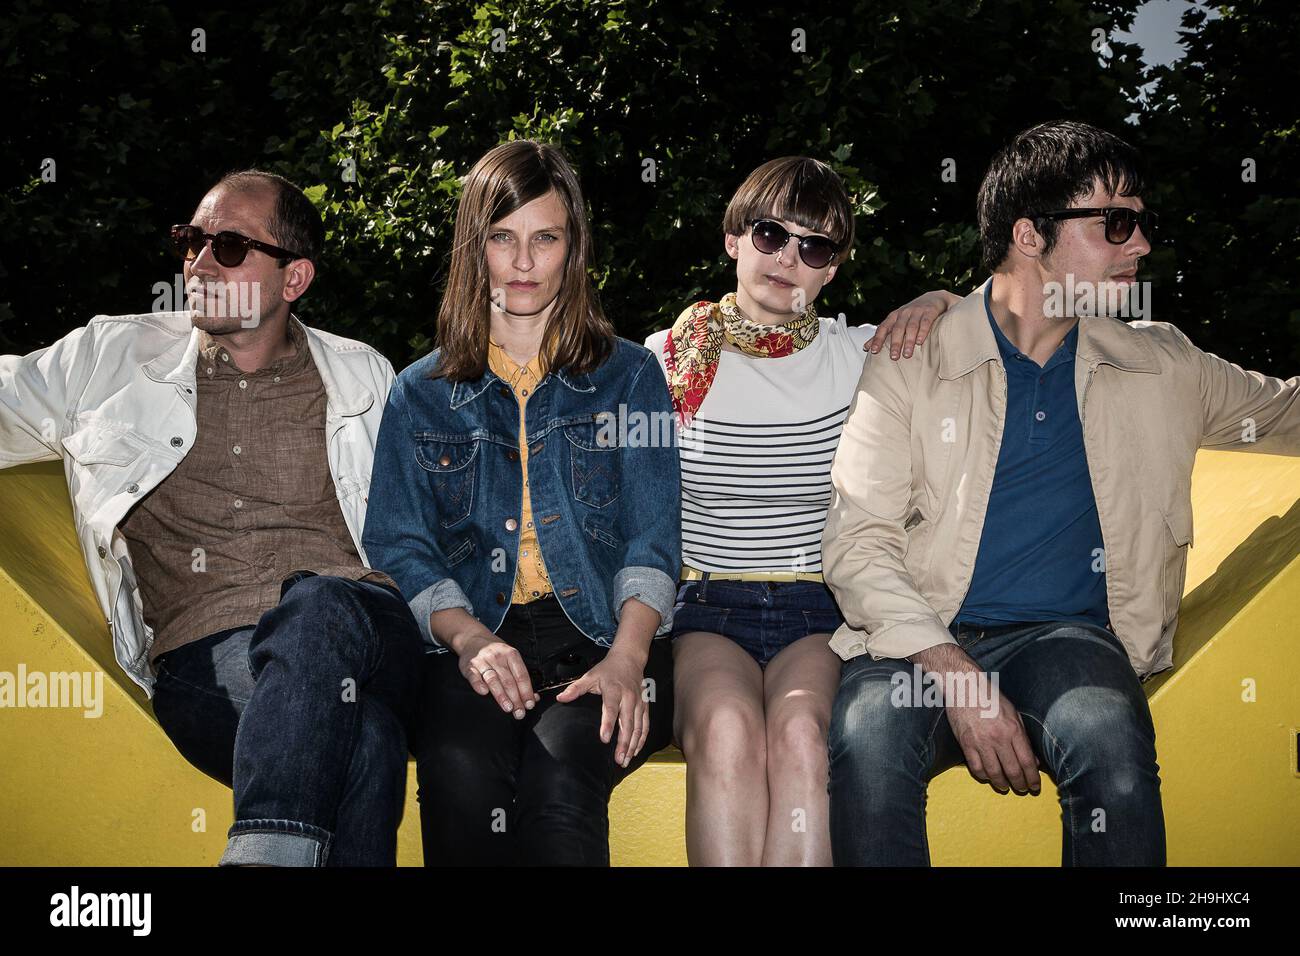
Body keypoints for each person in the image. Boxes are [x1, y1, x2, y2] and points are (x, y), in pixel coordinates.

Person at [822, 119, 1300, 866]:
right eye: (1116, 223)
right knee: (867, 741)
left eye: (1141, 223)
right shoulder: (913, 360)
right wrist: (957, 677)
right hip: (916, 638)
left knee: (1109, 737)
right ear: (1030, 235)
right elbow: (857, 542)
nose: (1140, 244)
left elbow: (1286, 412)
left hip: (1068, 640)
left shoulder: (1163, 365)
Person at [0, 170, 426, 865]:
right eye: (190, 240)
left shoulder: (363, 375)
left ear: (294, 280)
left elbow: (422, 527)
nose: (198, 263)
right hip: (207, 657)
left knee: (317, 602)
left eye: (228, 246)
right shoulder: (109, 359)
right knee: (367, 741)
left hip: (365, 633)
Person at [362, 140, 681, 866]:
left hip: (612, 635)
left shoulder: (631, 377)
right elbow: (401, 544)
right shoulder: (421, 392)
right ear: (475, 250)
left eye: (546, 238)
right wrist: (469, 640)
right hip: (475, 636)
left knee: (561, 782)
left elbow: (653, 540)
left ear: (574, 250)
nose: (525, 262)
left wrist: (630, 661)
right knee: (459, 771)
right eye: (503, 239)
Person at [644, 156, 958, 865]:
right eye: (769, 234)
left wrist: (936, 298)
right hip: (706, 605)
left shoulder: (863, 356)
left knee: (800, 737)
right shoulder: (662, 361)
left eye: (814, 246)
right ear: (733, 238)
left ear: (832, 269)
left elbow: (994, 323)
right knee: (725, 730)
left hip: (821, 607)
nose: (788, 258)